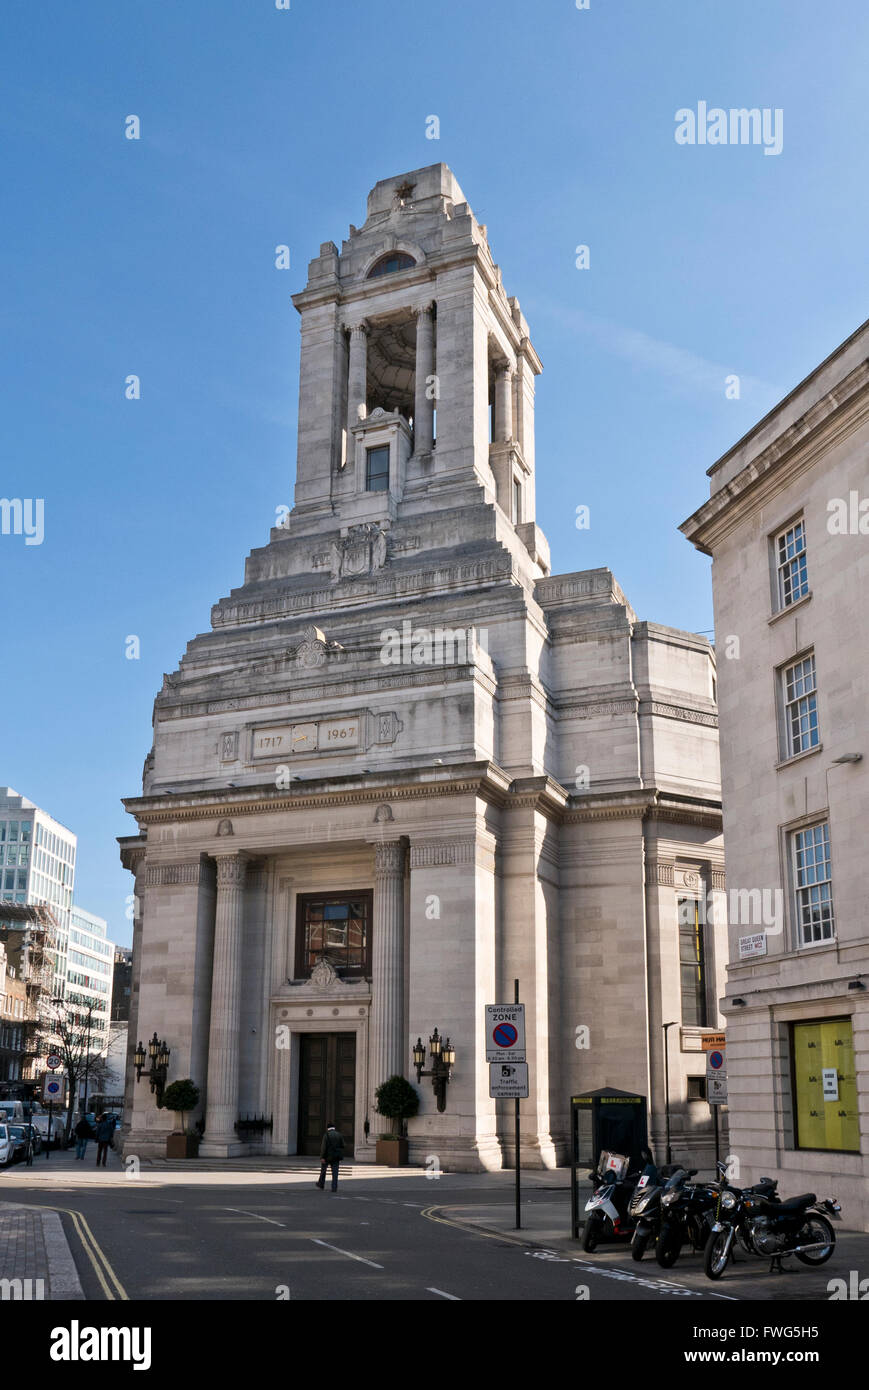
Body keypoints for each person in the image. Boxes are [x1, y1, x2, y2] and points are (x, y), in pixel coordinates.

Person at [316, 1123, 345, 1191]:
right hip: (336, 1156)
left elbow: (323, 1147)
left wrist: (322, 1157)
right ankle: (334, 1187)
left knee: (323, 1171)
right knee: (335, 1173)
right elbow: (343, 1145)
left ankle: (321, 1184)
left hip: (327, 1156)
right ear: (334, 1127)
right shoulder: (339, 1134)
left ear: (327, 1128)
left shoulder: (326, 1135)